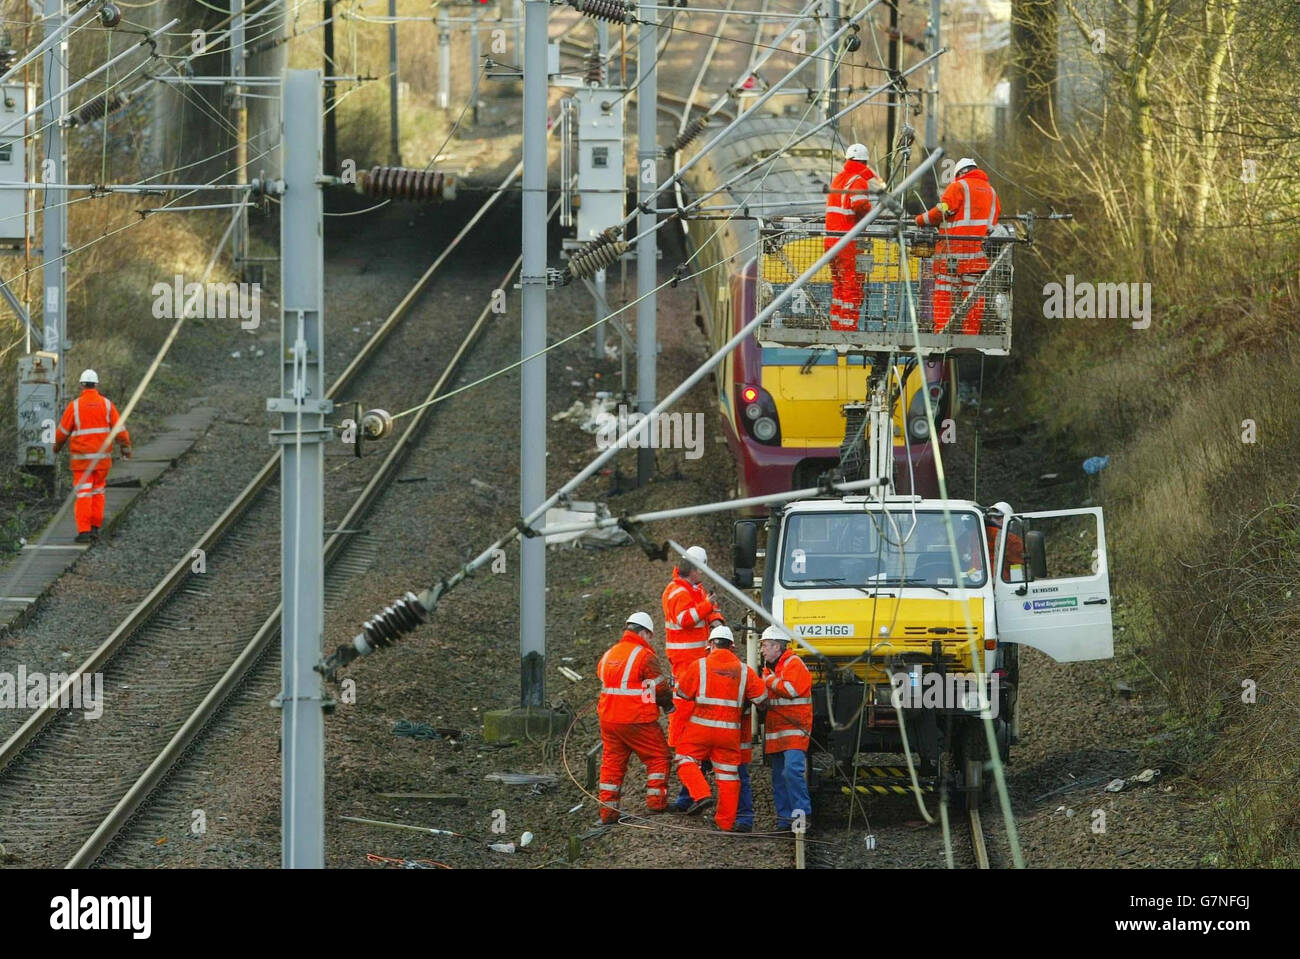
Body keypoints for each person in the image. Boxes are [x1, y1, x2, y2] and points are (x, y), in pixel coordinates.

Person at [673, 624, 768, 832]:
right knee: (728, 775)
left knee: (684, 759)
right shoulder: (745, 670)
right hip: (730, 733)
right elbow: (762, 699)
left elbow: (682, 693)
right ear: (732, 647)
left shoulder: (700, 665)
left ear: (711, 644)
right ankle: (725, 823)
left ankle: (701, 793)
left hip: (701, 728)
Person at [661, 545, 725, 810]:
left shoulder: (694, 589)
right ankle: (692, 777)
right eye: (703, 569)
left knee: (696, 722)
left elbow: (708, 610)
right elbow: (687, 618)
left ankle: (690, 787)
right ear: (694, 569)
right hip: (687, 666)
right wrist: (709, 605)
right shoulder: (677, 592)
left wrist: (717, 619)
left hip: (698, 664)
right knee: (687, 720)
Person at [595, 612, 674, 825]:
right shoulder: (644, 656)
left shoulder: (610, 653)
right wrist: (668, 704)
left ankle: (608, 813)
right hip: (636, 719)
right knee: (659, 757)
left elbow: (607, 679)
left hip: (609, 720)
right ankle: (657, 802)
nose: (651, 640)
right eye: (650, 635)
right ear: (643, 632)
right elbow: (658, 687)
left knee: (612, 765)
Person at [915, 157, 1001, 335]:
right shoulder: (992, 192)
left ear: (960, 173)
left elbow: (941, 210)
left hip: (952, 254)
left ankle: (942, 332)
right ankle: (971, 334)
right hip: (976, 256)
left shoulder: (958, 187)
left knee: (944, 293)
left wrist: (920, 220)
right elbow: (991, 225)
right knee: (974, 295)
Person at [52, 369, 132, 543]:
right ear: (96, 384)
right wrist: (125, 449)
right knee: (98, 492)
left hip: (82, 462)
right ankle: (95, 528)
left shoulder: (75, 406)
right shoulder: (108, 405)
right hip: (102, 462)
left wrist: (56, 447)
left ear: (81, 385)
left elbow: (62, 433)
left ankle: (84, 531)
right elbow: (121, 432)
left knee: (83, 494)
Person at [824, 143, 885, 331]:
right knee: (852, 287)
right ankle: (848, 328)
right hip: (847, 241)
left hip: (831, 241)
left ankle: (837, 324)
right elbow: (858, 204)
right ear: (865, 162)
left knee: (839, 286)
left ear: (847, 160)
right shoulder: (857, 180)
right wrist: (872, 213)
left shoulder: (839, 179)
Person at [759, 625, 813, 831]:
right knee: (779, 777)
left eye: (765, 646)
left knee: (792, 772)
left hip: (795, 730)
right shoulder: (769, 669)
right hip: (777, 731)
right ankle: (784, 820)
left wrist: (769, 681)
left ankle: (802, 815)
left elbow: (790, 690)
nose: (762, 650)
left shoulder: (793, 663)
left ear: (777, 647)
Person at [984, 501, 1025, 581]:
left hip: (1002, 584)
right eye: (990, 518)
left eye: (997, 518)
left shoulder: (1013, 541)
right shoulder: (980, 535)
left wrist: (1016, 584)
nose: (992, 520)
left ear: (1009, 519)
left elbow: (1018, 567)